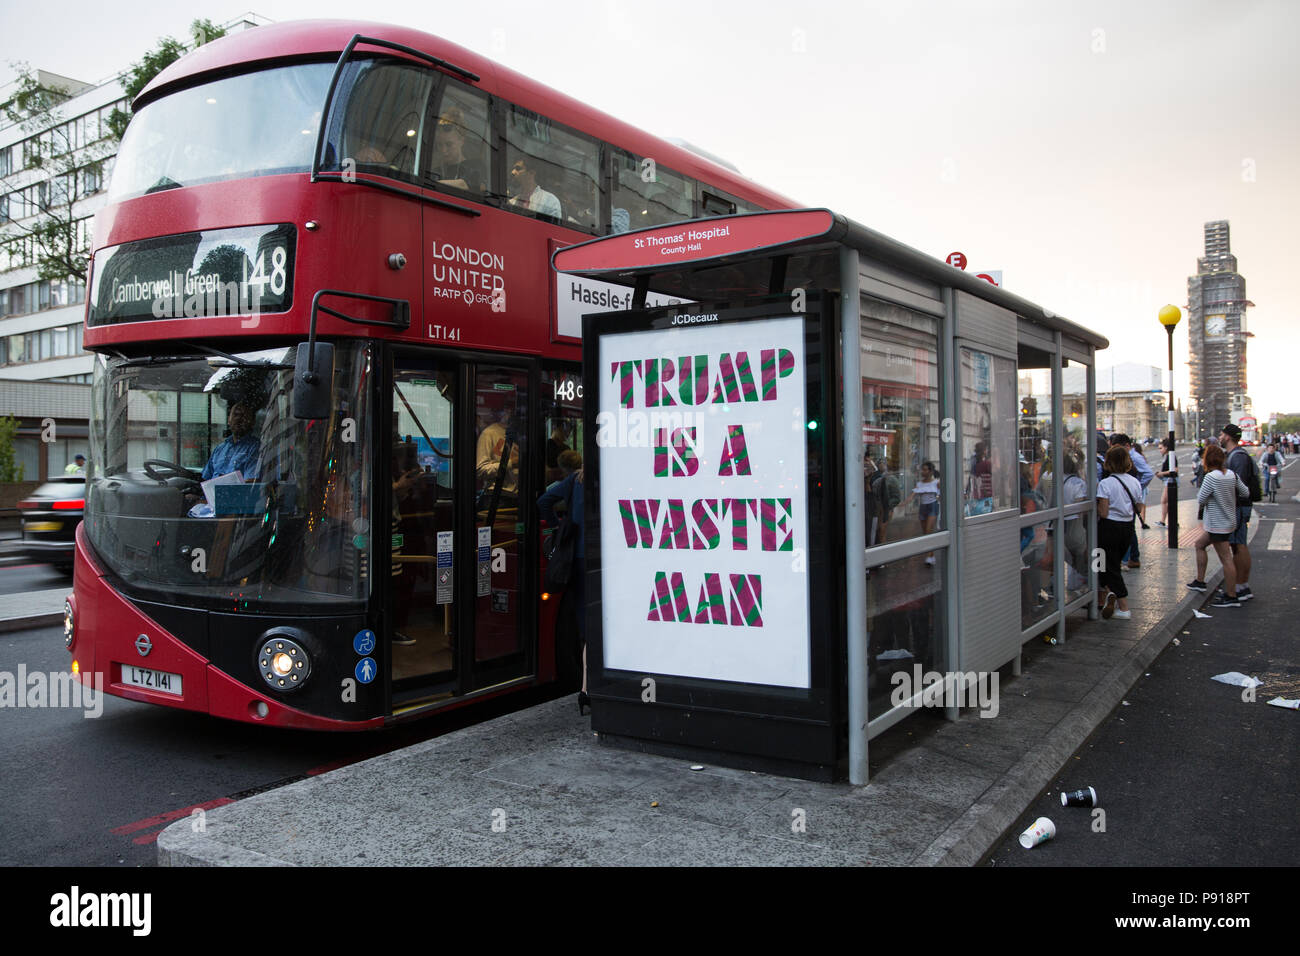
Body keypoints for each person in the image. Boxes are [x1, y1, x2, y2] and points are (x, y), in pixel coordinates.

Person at [538, 465, 587, 714]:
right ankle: (590, 688)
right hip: (599, 559)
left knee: (582, 621)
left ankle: (585, 690)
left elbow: (544, 501)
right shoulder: (611, 477)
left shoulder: (575, 478)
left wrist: (559, 528)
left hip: (574, 559)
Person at [1187, 443, 1247, 607]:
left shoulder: (1211, 477)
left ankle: (1231, 596)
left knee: (1226, 559)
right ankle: (1200, 581)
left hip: (1216, 523)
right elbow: (1245, 492)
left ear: (1207, 459)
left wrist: (1214, 497)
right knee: (1199, 544)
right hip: (1228, 521)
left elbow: (1201, 499)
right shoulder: (1232, 475)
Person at [1096, 444, 1143, 620]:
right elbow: (1138, 506)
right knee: (1111, 563)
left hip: (1109, 527)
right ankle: (1109, 593)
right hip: (1127, 528)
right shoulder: (1135, 482)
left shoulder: (1105, 484)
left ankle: (1123, 607)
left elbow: (1103, 512)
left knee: (1106, 564)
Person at [1220, 423, 1255, 601]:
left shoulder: (1238, 457)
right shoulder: (1234, 455)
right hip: (1238, 506)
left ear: (1228, 437)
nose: (1219, 437)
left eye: (1221, 434)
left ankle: (1241, 586)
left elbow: (1238, 484)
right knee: (1236, 545)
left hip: (1239, 506)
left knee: (1239, 545)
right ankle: (1241, 585)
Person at [429, 107, 485, 192]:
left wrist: (433, 184)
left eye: (449, 145)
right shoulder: (436, 171)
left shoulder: (475, 166)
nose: (443, 150)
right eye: (439, 145)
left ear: (461, 141)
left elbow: (466, 184)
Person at [202, 401, 260, 481]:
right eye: (235, 414)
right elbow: (205, 479)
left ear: (253, 422)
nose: (238, 419)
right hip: (210, 492)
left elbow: (251, 484)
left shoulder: (255, 449)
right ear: (229, 420)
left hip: (235, 493)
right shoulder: (219, 449)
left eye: (244, 416)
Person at [902, 461, 940, 565]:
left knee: (928, 531)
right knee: (925, 533)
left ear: (930, 471)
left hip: (932, 506)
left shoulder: (936, 482)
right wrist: (903, 503)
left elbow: (942, 494)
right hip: (923, 508)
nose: (922, 472)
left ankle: (929, 556)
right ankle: (931, 555)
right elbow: (912, 495)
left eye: (925, 469)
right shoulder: (919, 483)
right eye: (922, 469)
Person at [1155, 437, 1178, 526]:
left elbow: (1175, 470)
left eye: (1161, 448)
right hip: (1167, 480)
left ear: (1166, 448)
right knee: (1167, 501)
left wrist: (1161, 473)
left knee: (1165, 501)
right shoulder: (1168, 456)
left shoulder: (1171, 456)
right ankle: (1166, 521)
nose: (1159, 450)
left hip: (1171, 480)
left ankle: (1166, 521)